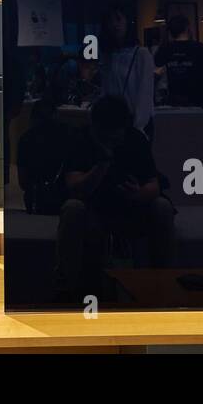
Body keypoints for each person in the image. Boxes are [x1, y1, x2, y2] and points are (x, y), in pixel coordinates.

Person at [54, 95, 176, 301]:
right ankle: (67, 286)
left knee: (162, 207)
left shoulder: (135, 139)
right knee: (72, 208)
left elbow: (153, 185)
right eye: (106, 136)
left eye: (116, 136)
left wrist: (139, 194)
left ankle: (165, 280)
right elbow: (74, 187)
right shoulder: (80, 140)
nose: (112, 141)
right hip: (93, 208)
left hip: (131, 206)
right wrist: (102, 166)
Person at [99, 5, 155, 133]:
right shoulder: (109, 55)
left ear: (127, 22)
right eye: (110, 21)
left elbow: (145, 93)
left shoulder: (141, 54)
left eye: (118, 19)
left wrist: (138, 126)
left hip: (137, 123)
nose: (114, 25)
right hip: (115, 121)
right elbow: (106, 90)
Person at [152, 13, 203, 109]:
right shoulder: (199, 48)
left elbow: (155, 71)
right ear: (187, 28)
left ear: (170, 31)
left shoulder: (165, 49)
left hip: (174, 103)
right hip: (199, 102)